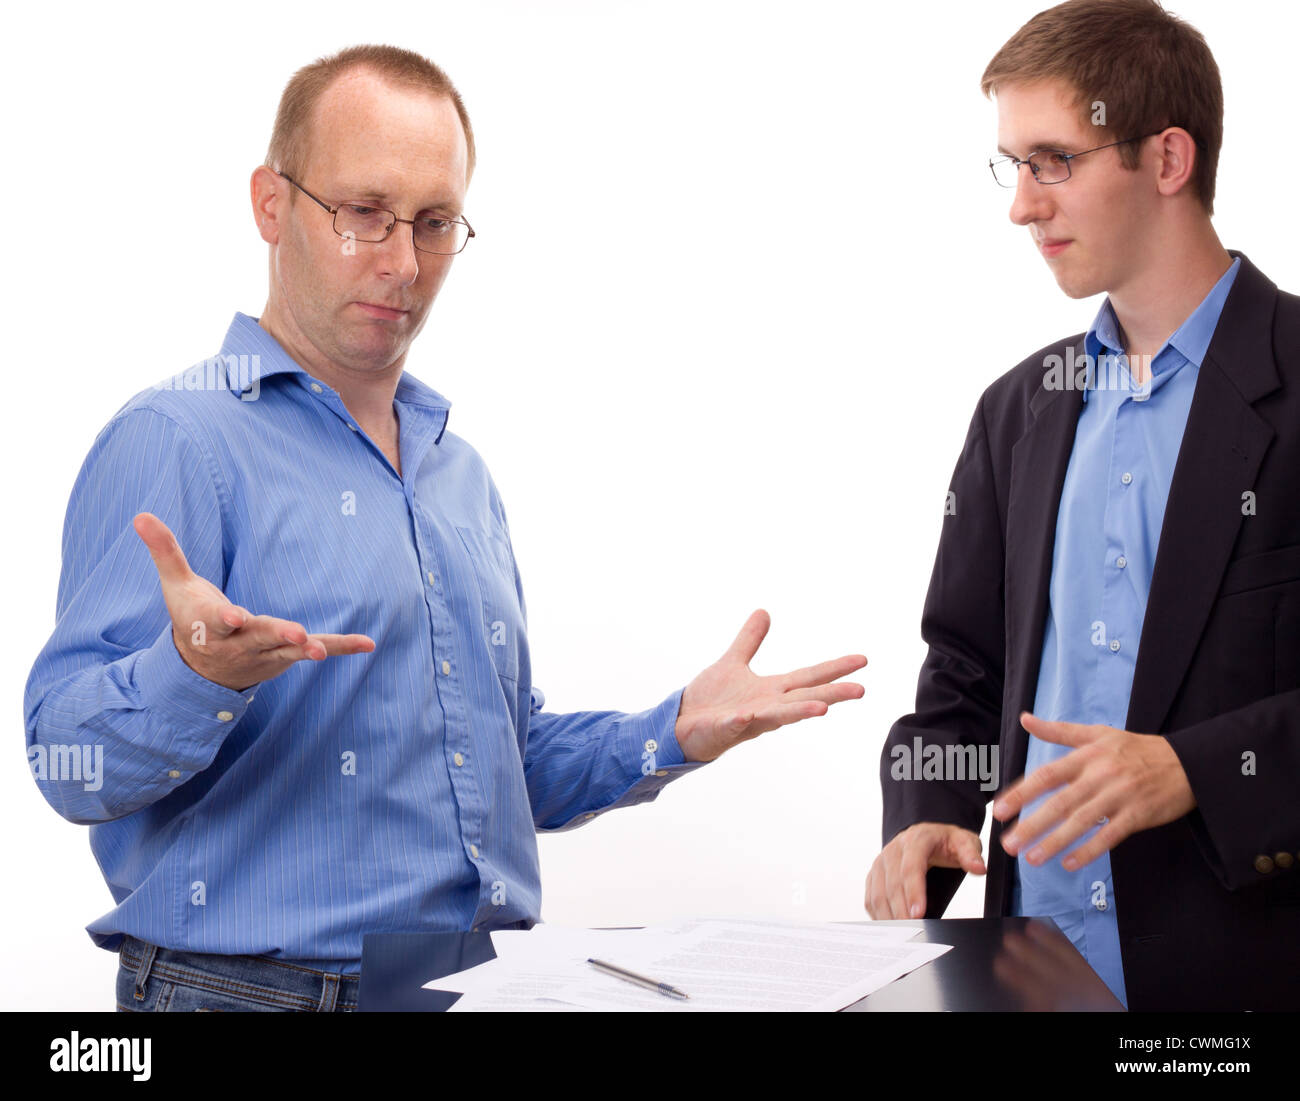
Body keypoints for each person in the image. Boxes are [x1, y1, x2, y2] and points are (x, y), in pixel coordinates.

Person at [24, 44, 866, 1012]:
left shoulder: (456, 474)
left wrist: (669, 731)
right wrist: (195, 675)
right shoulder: (177, 441)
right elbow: (67, 765)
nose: (401, 262)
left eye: (432, 223)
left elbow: (500, 772)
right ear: (270, 203)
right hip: (252, 999)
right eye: (363, 215)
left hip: (472, 992)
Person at [865, 0, 1300, 1011]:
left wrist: (1193, 768)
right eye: (1010, 166)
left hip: (1240, 990)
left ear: (1167, 160)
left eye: (1051, 160)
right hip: (1028, 974)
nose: (1021, 204)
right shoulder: (1017, 410)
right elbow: (964, 675)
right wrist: (925, 810)